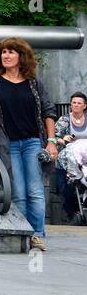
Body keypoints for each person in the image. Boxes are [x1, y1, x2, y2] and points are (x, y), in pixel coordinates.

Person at [0, 37, 58, 252]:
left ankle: (36, 234)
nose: (6, 56)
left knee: (35, 190)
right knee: (17, 190)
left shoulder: (34, 83)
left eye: (11, 52)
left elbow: (48, 111)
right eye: (4, 52)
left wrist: (52, 142)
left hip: (33, 141)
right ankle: (24, 232)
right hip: (9, 143)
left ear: (21, 57)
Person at [52, 91, 87, 222]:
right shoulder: (65, 120)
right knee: (66, 185)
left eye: (79, 103)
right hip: (68, 158)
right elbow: (53, 138)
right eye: (74, 103)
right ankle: (72, 214)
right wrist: (62, 139)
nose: (76, 105)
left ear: (84, 106)